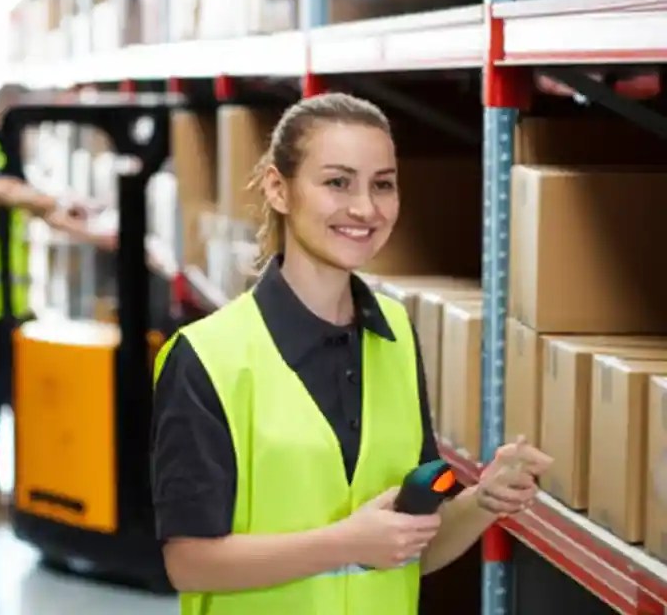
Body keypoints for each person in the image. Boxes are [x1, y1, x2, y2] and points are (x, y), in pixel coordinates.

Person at [149, 92, 553, 614]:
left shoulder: (396, 335)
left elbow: (408, 548)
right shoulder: (207, 357)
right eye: (338, 182)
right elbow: (189, 562)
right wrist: (347, 541)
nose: (365, 208)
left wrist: (483, 501)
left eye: (382, 184)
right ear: (279, 188)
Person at [0, 83, 113, 518]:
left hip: (0, 301)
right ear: (6, 114)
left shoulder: (4, 153)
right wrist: (59, 200)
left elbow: (38, 209)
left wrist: (99, 233)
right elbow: (1, 192)